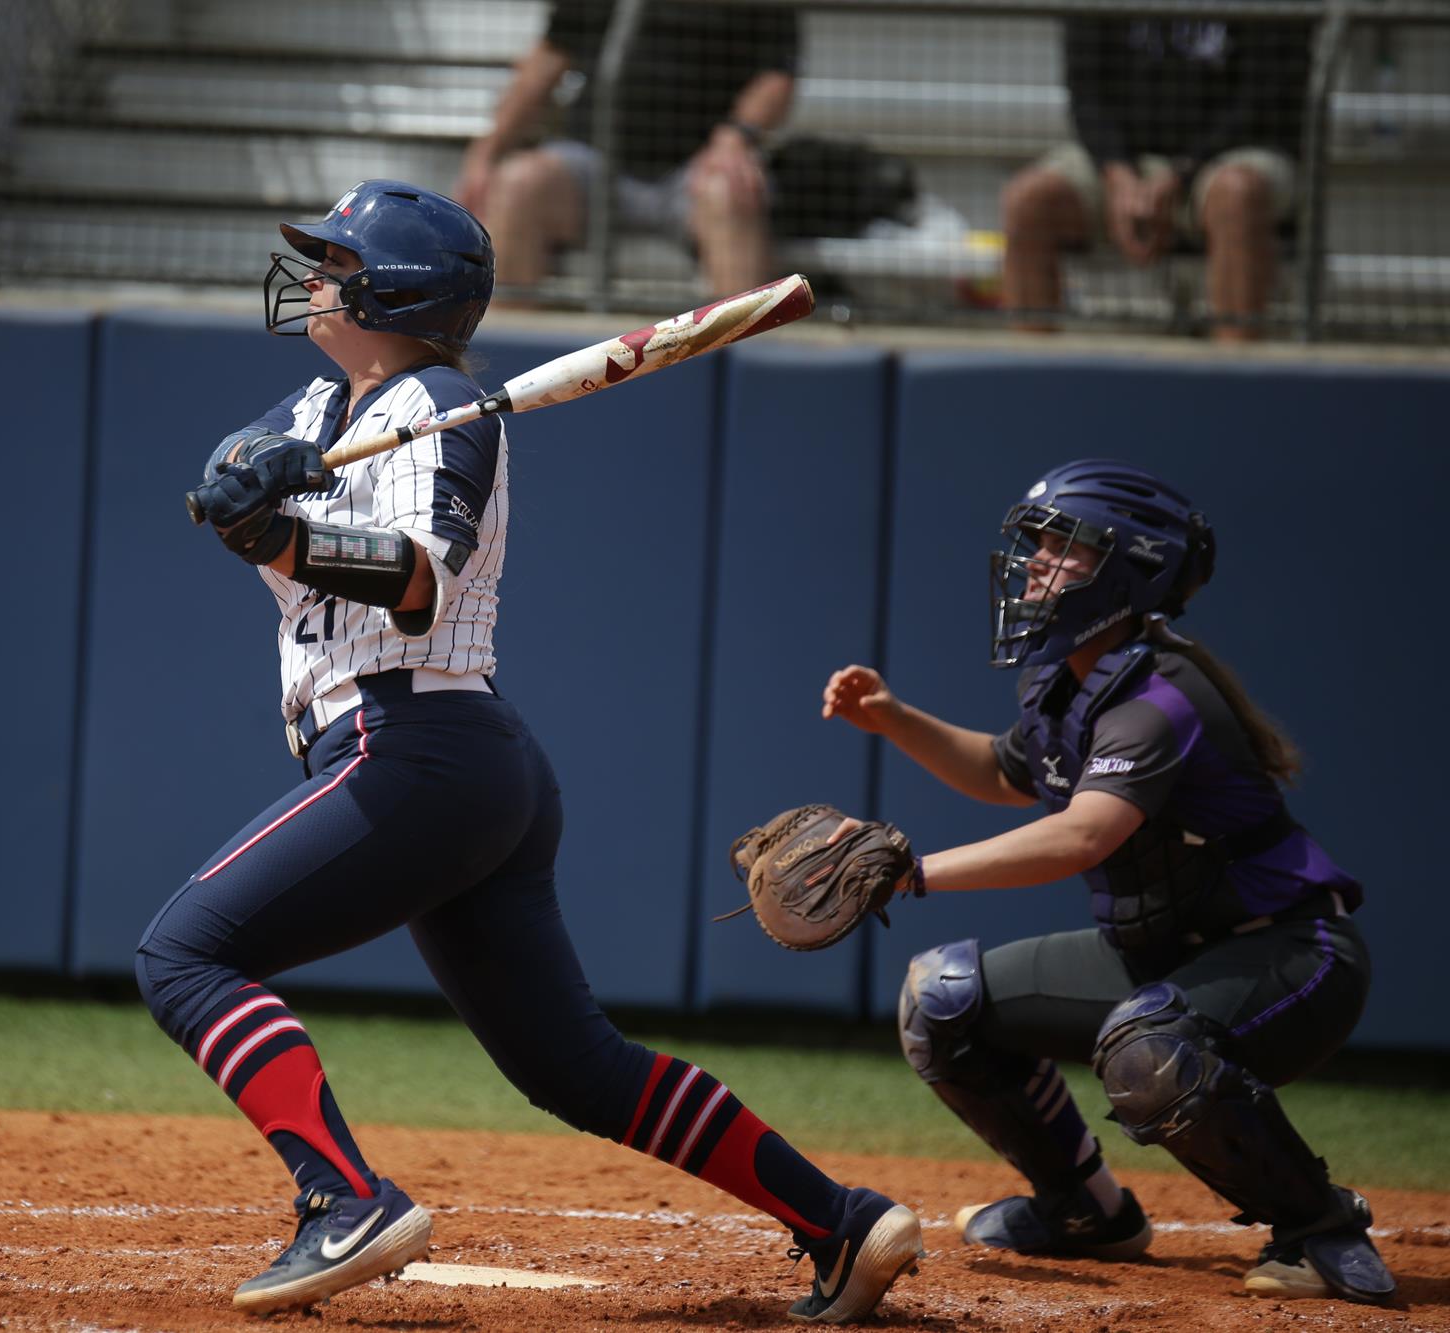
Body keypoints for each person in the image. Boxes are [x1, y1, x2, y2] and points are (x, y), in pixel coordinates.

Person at [137, 178, 923, 1322]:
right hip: (454, 768)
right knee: (573, 1066)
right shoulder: (317, 407)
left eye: (335, 263)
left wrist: (283, 534)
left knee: (181, 955)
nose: (312, 279)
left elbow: (415, 576)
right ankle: (840, 1221)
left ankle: (342, 1196)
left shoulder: (451, 420)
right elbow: (237, 475)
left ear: (392, 292)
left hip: (415, 746)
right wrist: (238, 489)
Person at [821, 459, 1396, 1306]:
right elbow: (1002, 769)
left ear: (1131, 572)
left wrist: (912, 874)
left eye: (1067, 550)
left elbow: (1084, 833)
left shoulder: (1160, 693)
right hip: (1164, 955)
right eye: (1040, 546)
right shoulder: (1071, 679)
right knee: (943, 999)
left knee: (1151, 1045)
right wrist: (893, 718)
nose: (1040, 566)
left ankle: (1321, 1229)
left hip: (1293, 956)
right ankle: (1087, 1212)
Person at [454, 0, 797, 302]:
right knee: (519, 183)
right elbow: (546, 63)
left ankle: (738, 357)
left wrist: (735, 138)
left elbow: (777, 74)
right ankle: (514, 360)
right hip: (593, 160)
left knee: (731, 191)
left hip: (697, 165)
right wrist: (486, 153)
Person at [1000, 19, 1311, 340]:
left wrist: (1181, 175)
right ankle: (1034, 376)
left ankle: (1238, 373)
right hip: (1122, 160)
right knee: (1029, 199)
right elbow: (1086, 94)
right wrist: (1119, 176)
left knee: (1237, 194)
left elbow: (1265, 99)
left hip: (1231, 152)